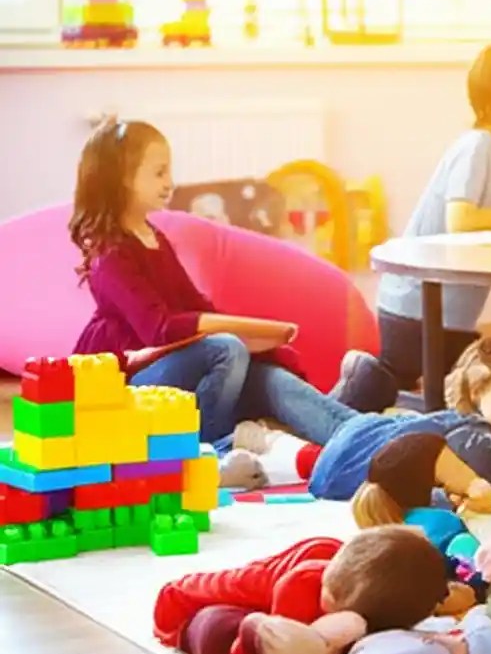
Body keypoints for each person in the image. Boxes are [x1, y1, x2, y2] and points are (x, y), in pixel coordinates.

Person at [68, 118, 357, 470]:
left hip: (180, 365)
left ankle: (369, 437)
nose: (169, 183)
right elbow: (158, 329)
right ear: (124, 178)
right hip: (129, 374)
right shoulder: (110, 252)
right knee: (228, 350)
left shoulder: (154, 237)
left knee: (267, 375)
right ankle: (213, 449)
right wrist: (246, 330)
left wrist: (259, 339)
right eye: (159, 173)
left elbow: (197, 306)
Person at [331, 43, 491, 414]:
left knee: (451, 391)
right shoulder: (478, 147)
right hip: (418, 304)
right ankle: (355, 389)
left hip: (451, 310)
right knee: (421, 387)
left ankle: (376, 393)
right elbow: (462, 221)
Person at [307, 334, 491, 504]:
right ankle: (361, 382)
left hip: (360, 434)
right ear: (476, 392)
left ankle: (361, 383)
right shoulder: (481, 442)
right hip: (344, 475)